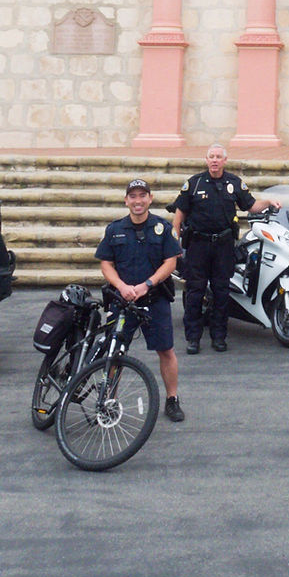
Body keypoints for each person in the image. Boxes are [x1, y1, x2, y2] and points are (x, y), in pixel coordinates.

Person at [96, 178, 186, 423]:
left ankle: (172, 399)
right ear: (126, 200)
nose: (138, 201)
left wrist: (147, 284)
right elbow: (106, 264)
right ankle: (107, 402)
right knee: (114, 352)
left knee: (166, 350)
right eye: (133, 196)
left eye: (142, 196)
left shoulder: (162, 228)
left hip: (154, 300)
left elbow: (171, 262)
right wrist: (122, 287)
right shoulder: (114, 230)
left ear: (150, 198)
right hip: (122, 301)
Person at [170, 145, 273, 354]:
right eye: (211, 157)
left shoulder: (234, 183)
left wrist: (269, 202)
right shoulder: (194, 183)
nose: (215, 160)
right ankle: (193, 338)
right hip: (198, 245)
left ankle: (219, 337)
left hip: (223, 246)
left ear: (225, 160)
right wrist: (175, 240)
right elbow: (179, 215)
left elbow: (251, 206)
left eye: (218, 157)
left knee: (221, 292)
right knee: (195, 292)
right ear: (206, 160)